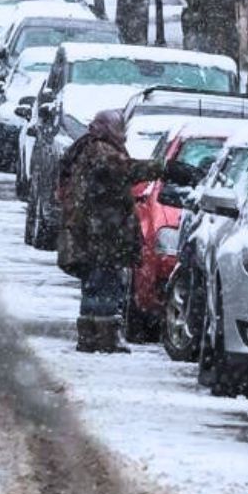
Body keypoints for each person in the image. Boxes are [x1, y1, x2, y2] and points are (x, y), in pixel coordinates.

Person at [55, 109, 161, 353]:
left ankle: (90, 337)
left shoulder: (86, 147)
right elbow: (127, 170)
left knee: (95, 284)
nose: (122, 133)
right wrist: (163, 168)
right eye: (118, 127)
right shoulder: (101, 150)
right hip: (102, 234)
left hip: (93, 232)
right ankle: (104, 338)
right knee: (105, 284)